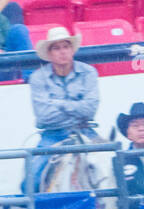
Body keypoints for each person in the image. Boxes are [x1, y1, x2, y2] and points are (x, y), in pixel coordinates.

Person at [29, 27, 101, 189]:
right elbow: (44, 116)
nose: (62, 52)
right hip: (53, 135)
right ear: (49, 54)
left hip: (86, 131)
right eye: (56, 48)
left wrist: (58, 103)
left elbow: (90, 109)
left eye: (66, 46)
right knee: (31, 179)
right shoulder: (38, 78)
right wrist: (77, 108)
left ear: (72, 50)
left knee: (110, 164)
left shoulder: (88, 72)